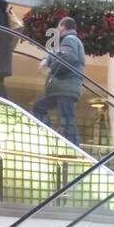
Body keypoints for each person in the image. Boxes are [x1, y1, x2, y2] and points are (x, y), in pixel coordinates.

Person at [32, 16, 86, 146]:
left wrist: (49, 62)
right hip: (62, 89)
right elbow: (64, 58)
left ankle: (73, 147)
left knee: (67, 119)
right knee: (40, 107)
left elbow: (67, 59)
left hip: (65, 88)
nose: (56, 29)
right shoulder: (69, 41)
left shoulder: (69, 40)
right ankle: (55, 136)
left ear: (62, 27)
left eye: (58, 26)